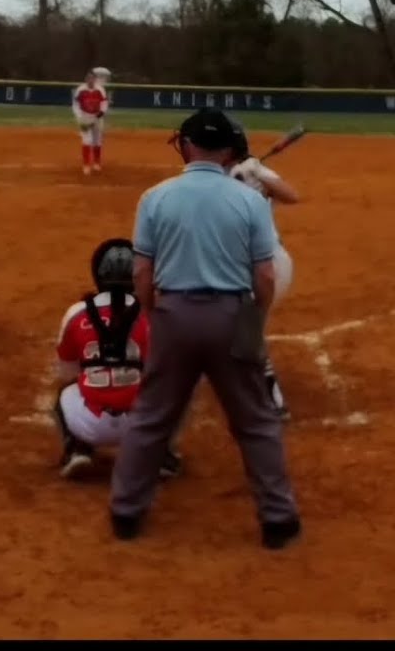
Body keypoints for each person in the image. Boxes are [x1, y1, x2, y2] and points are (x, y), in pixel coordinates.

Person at [109, 107, 301, 550]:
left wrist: (156, 313)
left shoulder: (155, 197)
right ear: (229, 150)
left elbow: (142, 272)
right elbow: (265, 275)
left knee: (152, 418)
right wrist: (253, 320)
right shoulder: (250, 200)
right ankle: (278, 520)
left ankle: (126, 513)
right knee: (256, 421)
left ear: (188, 145)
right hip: (232, 313)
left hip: (174, 313)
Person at [51, 238, 181, 480]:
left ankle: (77, 450)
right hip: (141, 425)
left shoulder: (76, 313)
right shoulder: (151, 313)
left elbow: (68, 373)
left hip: (90, 423)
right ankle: (160, 454)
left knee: (64, 392)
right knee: (172, 385)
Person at [229, 153, 300, 419]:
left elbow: (291, 196)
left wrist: (258, 174)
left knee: (245, 327)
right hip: (242, 267)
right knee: (234, 325)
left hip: (268, 265)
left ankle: (272, 396)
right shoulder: (210, 176)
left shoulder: (252, 169)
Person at [73, 71, 109, 176]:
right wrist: (80, 118)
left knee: (97, 141)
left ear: (95, 79)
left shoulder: (100, 89)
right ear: (86, 79)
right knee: (87, 140)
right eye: (88, 78)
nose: (90, 80)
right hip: (85, 116)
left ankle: (97, 163)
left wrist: (101, 113)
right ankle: (86, 165)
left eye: (92, 78)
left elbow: (104, 103)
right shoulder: (80, 90)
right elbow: (75, 105)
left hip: (97, 117)